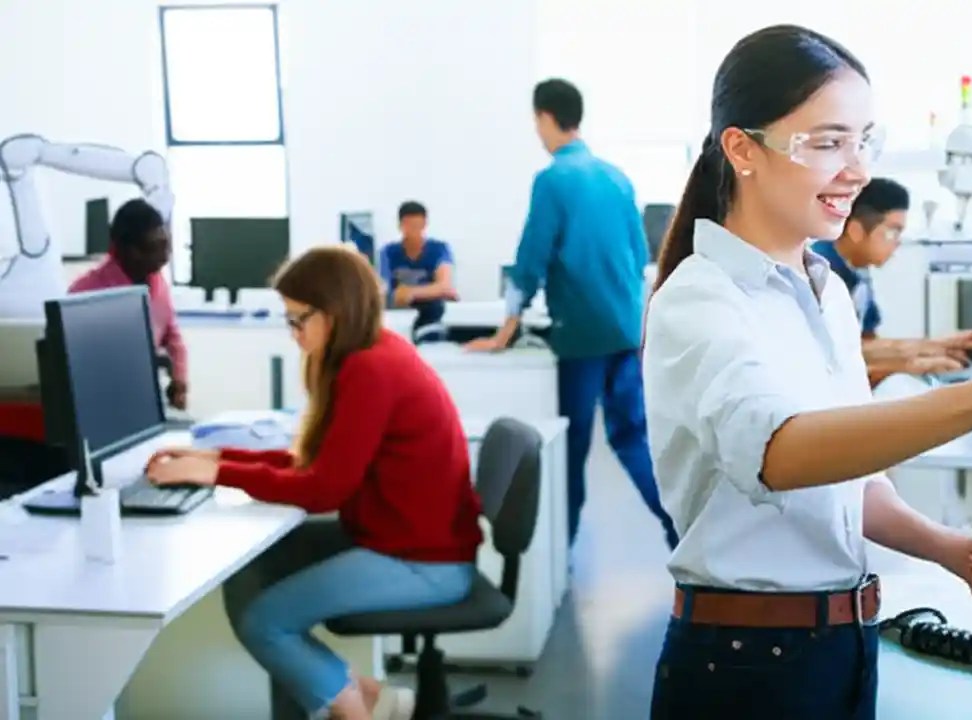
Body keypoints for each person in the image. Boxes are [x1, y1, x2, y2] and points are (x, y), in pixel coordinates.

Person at [642, 24, 972, 719]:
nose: (859, 168)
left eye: (865, 139)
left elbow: (846, 480)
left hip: (839, 644)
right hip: (746, 661)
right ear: (741, 150)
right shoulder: (701, 298)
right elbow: (782, 452)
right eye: (828, 142)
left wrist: (944, 546)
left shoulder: (824, 290)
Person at [147, 246, 483, 720]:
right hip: (399, 540)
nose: (293, 333)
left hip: (423, 561)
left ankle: (354, 710)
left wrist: (219, 473)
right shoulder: (369, 354)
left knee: (265, 622)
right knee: (252, 567)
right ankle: (365, 695)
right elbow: (316, 462)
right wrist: (217, 456)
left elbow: (324, 489)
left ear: (334, 313)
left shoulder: (371, 369)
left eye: (297, 320)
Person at [465, 78, 678, 550]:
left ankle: (562, 550)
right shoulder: (616, 176)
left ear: (544, 118)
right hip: (626, 327)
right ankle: (679, 531)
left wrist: (506, 329)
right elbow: (640, 250)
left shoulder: (553, 179)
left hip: (581, 335)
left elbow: (531, 259)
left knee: (570, 446)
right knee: (631, 437)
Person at [810, 178, 972, 385]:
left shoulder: (858, 274)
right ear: (856, 231)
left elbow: (864, 345)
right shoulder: (818, 272)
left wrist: (934, 346)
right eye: (893, 231)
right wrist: (909, 363)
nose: (897, 243)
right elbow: (824, 361)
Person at [68, 198, 189, 409]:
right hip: (102, 404)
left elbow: (172, 336)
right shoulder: (85, 293)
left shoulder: (157, 282)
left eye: (167, 246)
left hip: (144, 399)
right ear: (131, 250)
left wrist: (179, 379)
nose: (165, 257)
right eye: (157, 248)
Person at [379, 200, 459, 341]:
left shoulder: (439, 249)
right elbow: (387, 291)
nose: (414, 231)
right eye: (409, 226)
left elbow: (445, 286)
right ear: (400, 226)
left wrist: (410, 292)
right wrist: (432, 290)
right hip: (400, 313)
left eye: (418, 226)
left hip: (431, 312)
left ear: (425, 224)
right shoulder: (389, 252)